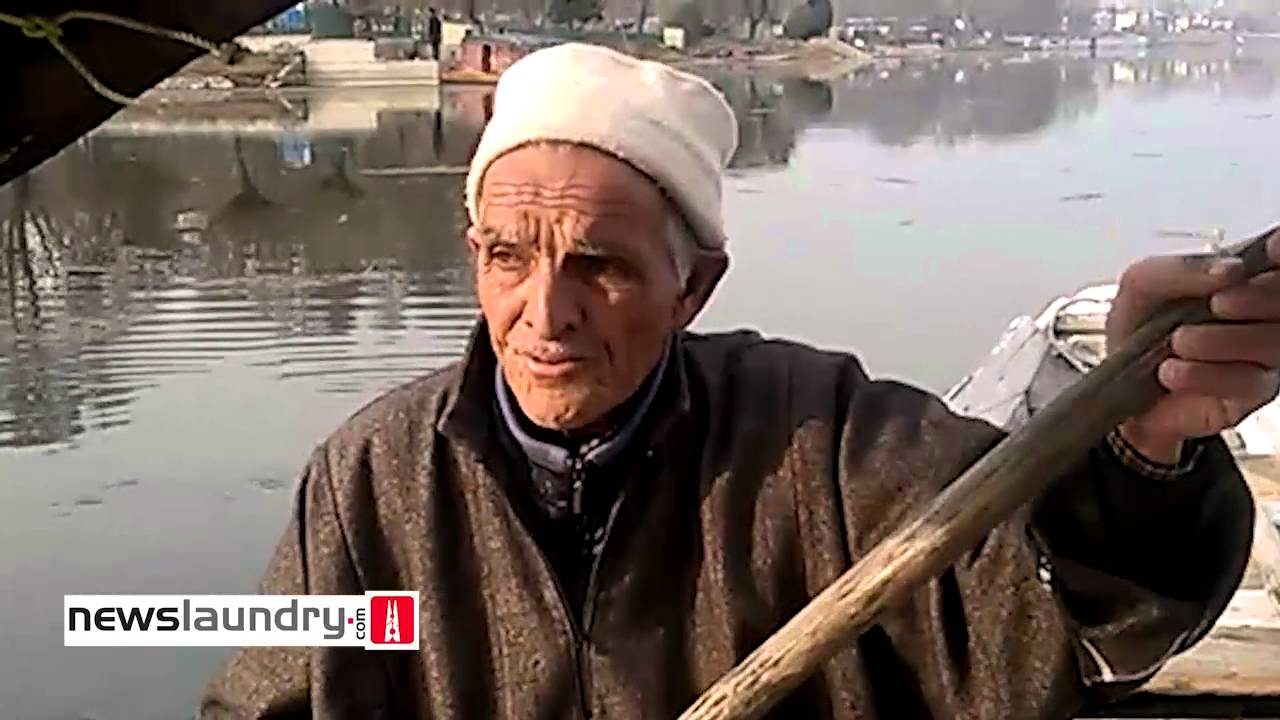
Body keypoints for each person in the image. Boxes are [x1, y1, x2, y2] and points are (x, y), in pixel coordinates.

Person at [201, 43, 1268, 719]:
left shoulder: (832, 446)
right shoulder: (375, 480)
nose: (545, 313)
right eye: (506, 256)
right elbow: (271, 698)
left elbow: (1072, 626)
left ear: (692, 285)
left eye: (601, 267)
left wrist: (1141, 451)